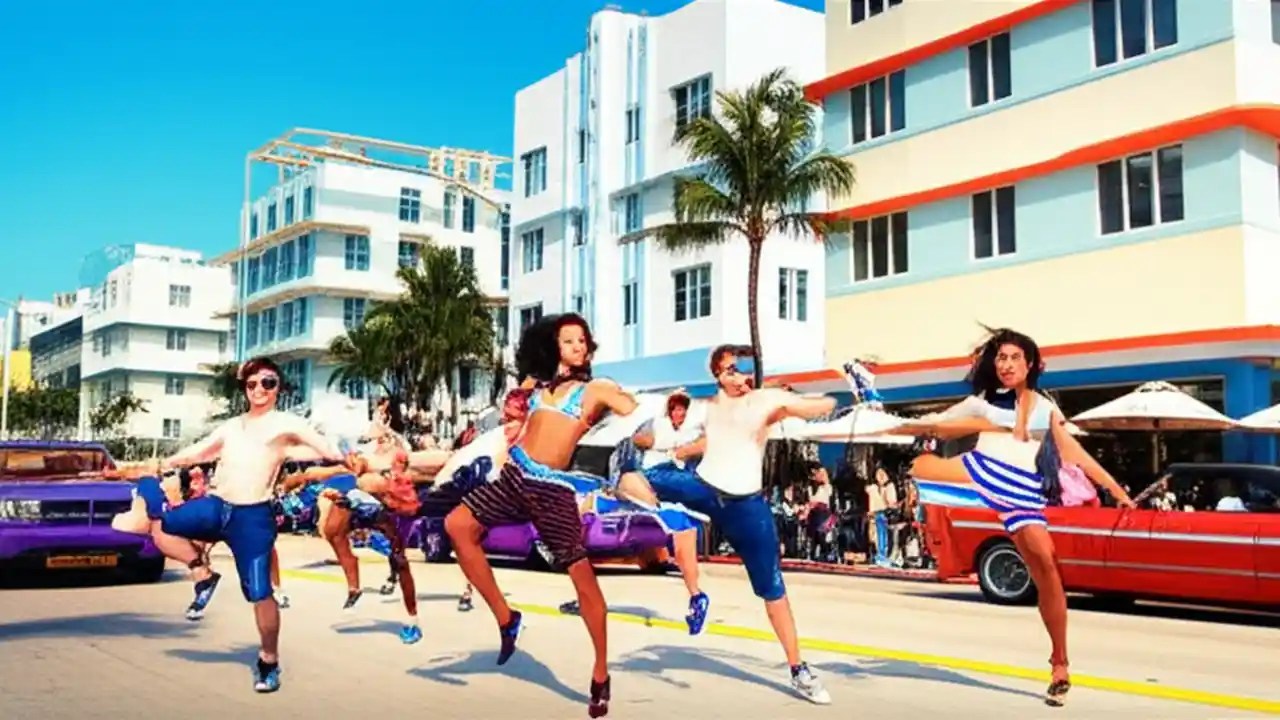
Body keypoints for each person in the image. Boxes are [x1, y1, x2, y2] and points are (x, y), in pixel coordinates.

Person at [892, 327, 1135, 707]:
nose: (1006, 365)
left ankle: (1060, 662)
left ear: (1030, 364)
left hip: (1021, 491)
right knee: (921, 466)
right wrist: (899, 423)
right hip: (981, 472)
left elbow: (1074, 453)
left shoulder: (1044, 408)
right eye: (1001, 358)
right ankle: (924, 486)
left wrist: (1116, 491)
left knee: (1046, 566)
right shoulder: (982, 403)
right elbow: (940, 422)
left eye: (1014, 358)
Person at [111, 356, 346, 693]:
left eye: (267, 383)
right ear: (245, 388)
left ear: (278, 387)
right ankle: (202, 574)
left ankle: (268, 661)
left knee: (259, 593)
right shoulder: (232, 427)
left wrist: (342, 456)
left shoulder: (286, 425)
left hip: (252, 518)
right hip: (217, 506)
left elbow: (324, 447)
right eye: (252, 384)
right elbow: (200, 451)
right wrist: (165, 462)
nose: (259, 390)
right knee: (157, 523)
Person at [445, 313, 636, 718]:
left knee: (585, 586)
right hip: (515, 477)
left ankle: (601, 673)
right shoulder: (537, 389)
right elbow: (510, 425)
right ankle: (507, 617)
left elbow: (634, 414)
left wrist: (630, 416)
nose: (578, 347)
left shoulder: (594, 389)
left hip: (552, 491)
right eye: (568, 341)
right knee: (457, 526)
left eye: (582, 340)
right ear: (551, 348)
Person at [628, 345, 835, 704]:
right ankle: (644, 511)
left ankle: (798, 667)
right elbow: (653, 438)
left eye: (742, 370)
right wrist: (660, 437)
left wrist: (783, 399)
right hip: (704, 490)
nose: (738, 377)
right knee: (634, 478)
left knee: (773, 588)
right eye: (730, 370)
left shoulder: (761, 404)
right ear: (717, 375)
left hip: (746, 506)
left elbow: (822, 406)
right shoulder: (706, 409)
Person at [614, 391, 710, 634]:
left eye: (683, 410)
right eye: (675, 409)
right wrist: (665, 444)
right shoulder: (658, 424)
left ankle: (696, 596)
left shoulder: (694, 431)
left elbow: (708, 443)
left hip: (674, 482)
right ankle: (697, 599)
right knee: (627, 485)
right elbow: (639, 439)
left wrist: (683, 451)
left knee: (683, 541)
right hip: (655, 478)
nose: (679, 413)